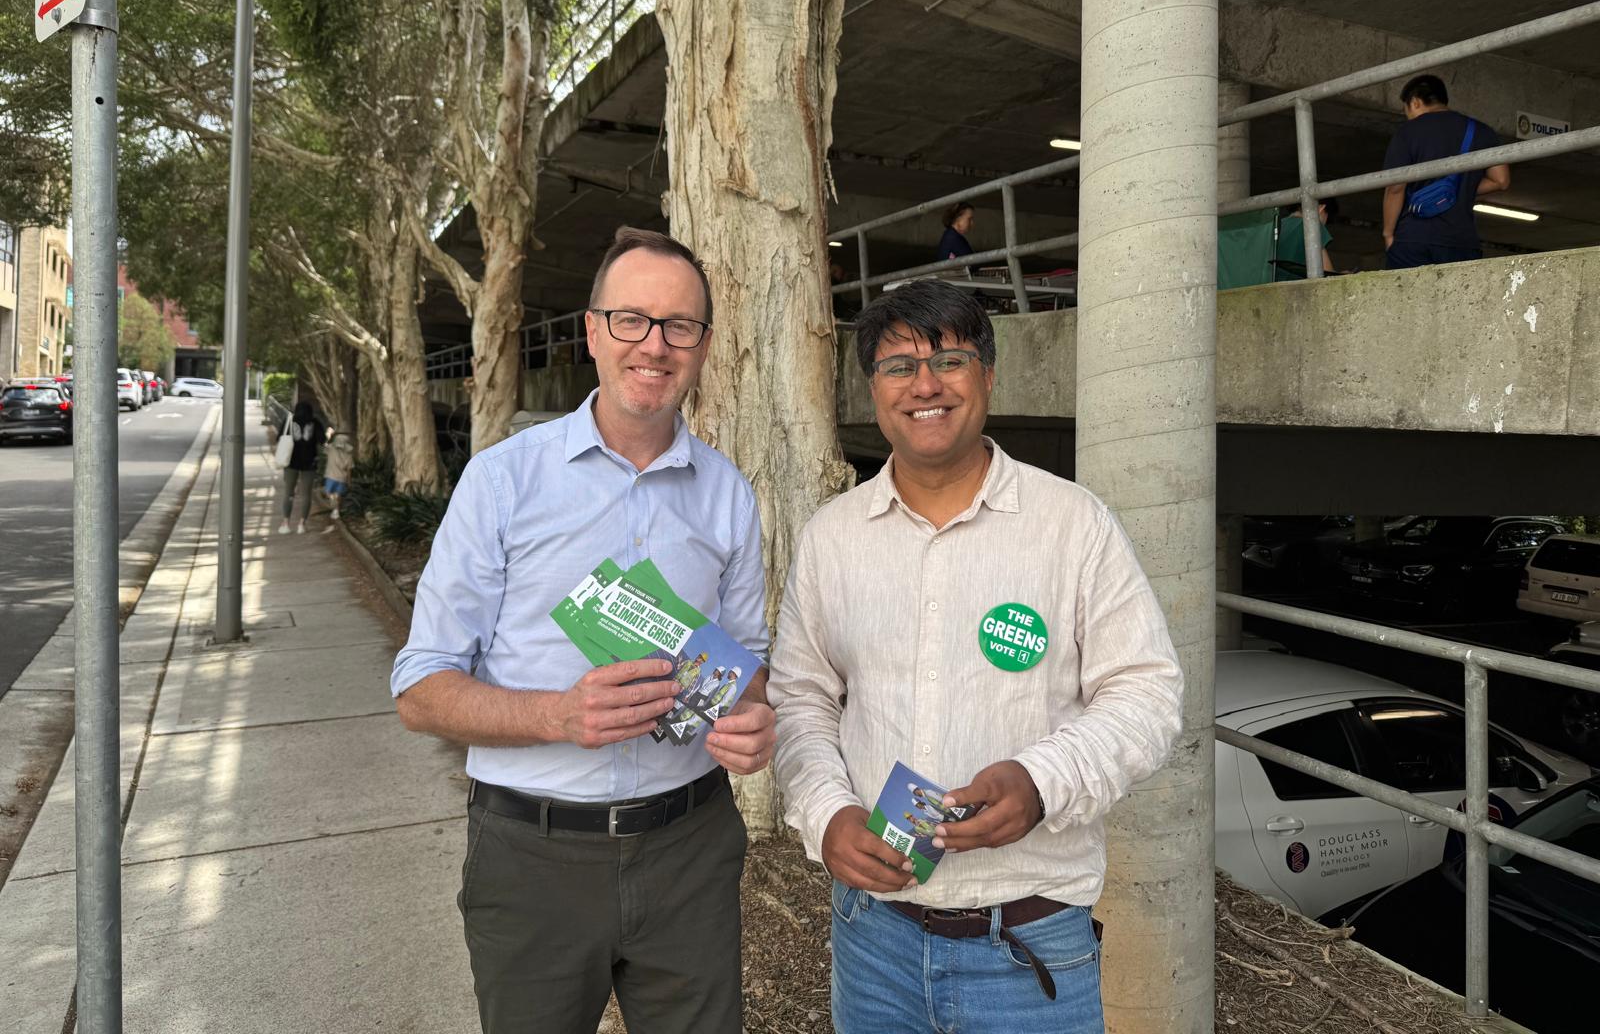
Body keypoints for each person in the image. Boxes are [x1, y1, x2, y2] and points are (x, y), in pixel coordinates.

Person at [769, 279, 1183, 1034]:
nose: (925, 386)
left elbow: (1147, 695)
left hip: (1030, 945)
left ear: (987, 376)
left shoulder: (1072, 526)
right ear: (873, 390)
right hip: (873, 942)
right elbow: (800, 699)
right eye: (899, 368)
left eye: (950, 360)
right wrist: (828, 815)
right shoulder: (832, 539)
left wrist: (1042, 781)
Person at [390, 226, 775, 1034]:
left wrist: (750, 720)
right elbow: (421, 690)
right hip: (532, 854)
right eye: (632, 319)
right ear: (594, 331)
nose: (656, 345)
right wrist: (554, 716)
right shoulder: (503, 481)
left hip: (690, 849)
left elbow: (749, 672)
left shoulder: (729, 497)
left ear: (703, 347)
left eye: (680, 326)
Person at [1380, 74, 1510, 269]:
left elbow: (1395, 187)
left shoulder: (1408, 131)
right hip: (1462, 241)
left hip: (1414, 239)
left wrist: (1388, 233)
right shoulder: (1481, 131)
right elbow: (1501, 181)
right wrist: (1463, 188)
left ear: (1415, 102)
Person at [278, 400, 325, 535]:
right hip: (309, 463)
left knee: (289, 493)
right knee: (306, 495)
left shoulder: (289, 420)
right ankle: (301, 525)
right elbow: (322, 441)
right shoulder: (315, 423)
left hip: (290, 462)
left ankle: (286, 524)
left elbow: (279, 438)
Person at [1275, 197, 1338, 280]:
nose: (1324, 225)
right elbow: (1327, 275)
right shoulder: (1312, 225)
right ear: (1321, 208)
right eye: (1327, 219)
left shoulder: (1277, 225)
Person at [322, 427, 355, 522]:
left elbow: (325, 445)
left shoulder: (331, 449)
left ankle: (335, 508)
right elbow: (349, 469)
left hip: (331, 476)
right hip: (342, 478)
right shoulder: (349, 454)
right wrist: (349, 481)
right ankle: (336, 510)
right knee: (338, 495)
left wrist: (329, 435)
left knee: (329, 493)